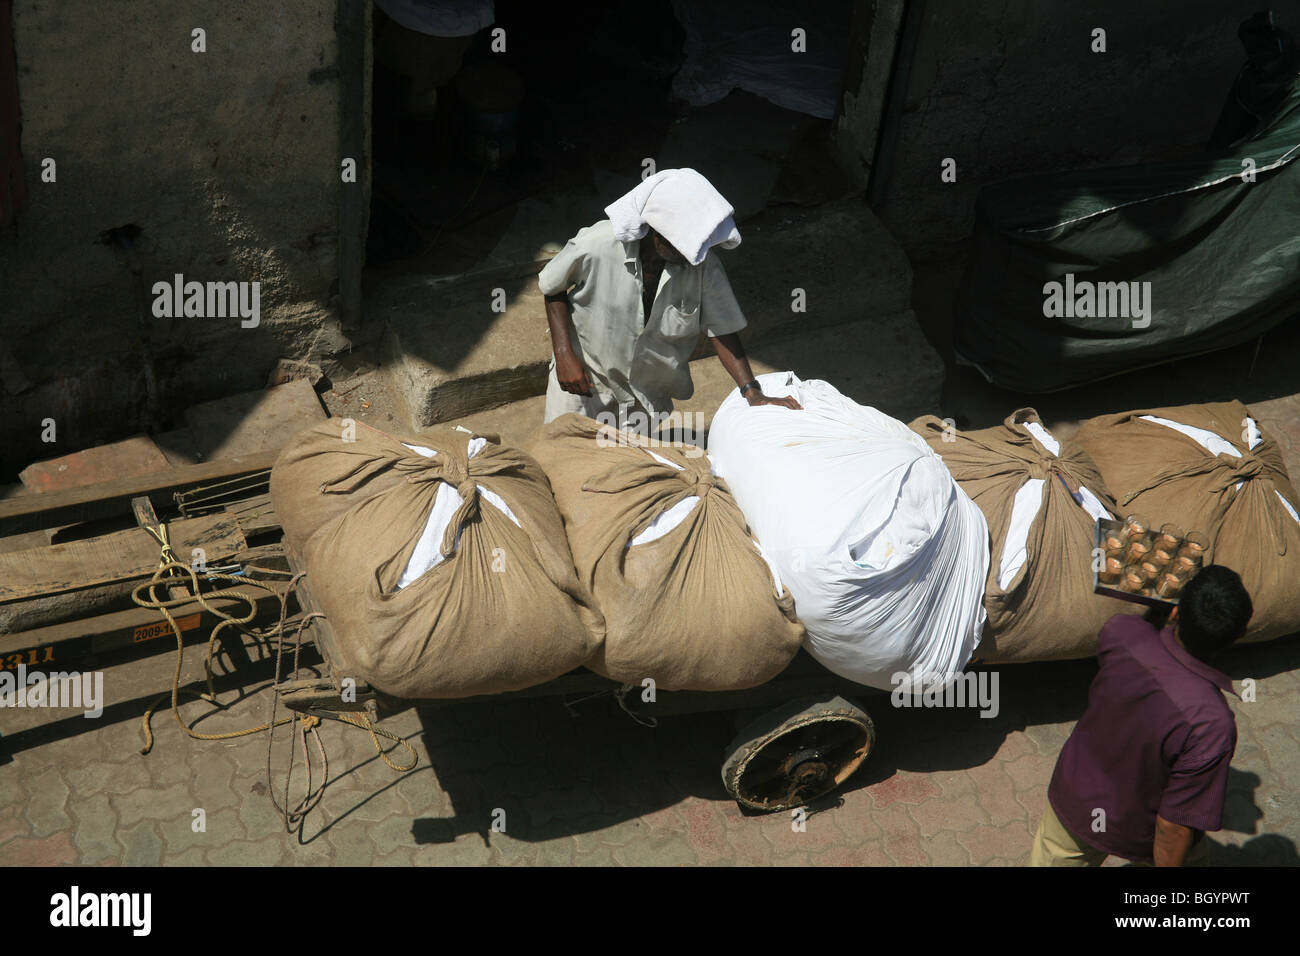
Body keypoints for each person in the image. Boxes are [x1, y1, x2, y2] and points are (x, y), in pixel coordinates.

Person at [537, 168, 800, 432]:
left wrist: (751, 391)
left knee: (630, 468)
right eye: (680, 246)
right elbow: (552, 287)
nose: (690, 256)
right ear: (654, 231)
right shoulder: (597, 244)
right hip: (585, 382)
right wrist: (563, 356)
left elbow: (723, 327)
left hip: (645, 396)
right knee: (564, 457)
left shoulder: (703, 265)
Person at [1031, 565, 1253, 867]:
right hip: (1137, 826)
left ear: (1175, 613)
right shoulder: (1211, 725)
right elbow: (1172, 827)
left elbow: (1139, 631)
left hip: (1078, 801)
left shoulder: (1122, 633)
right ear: (1238, 636)